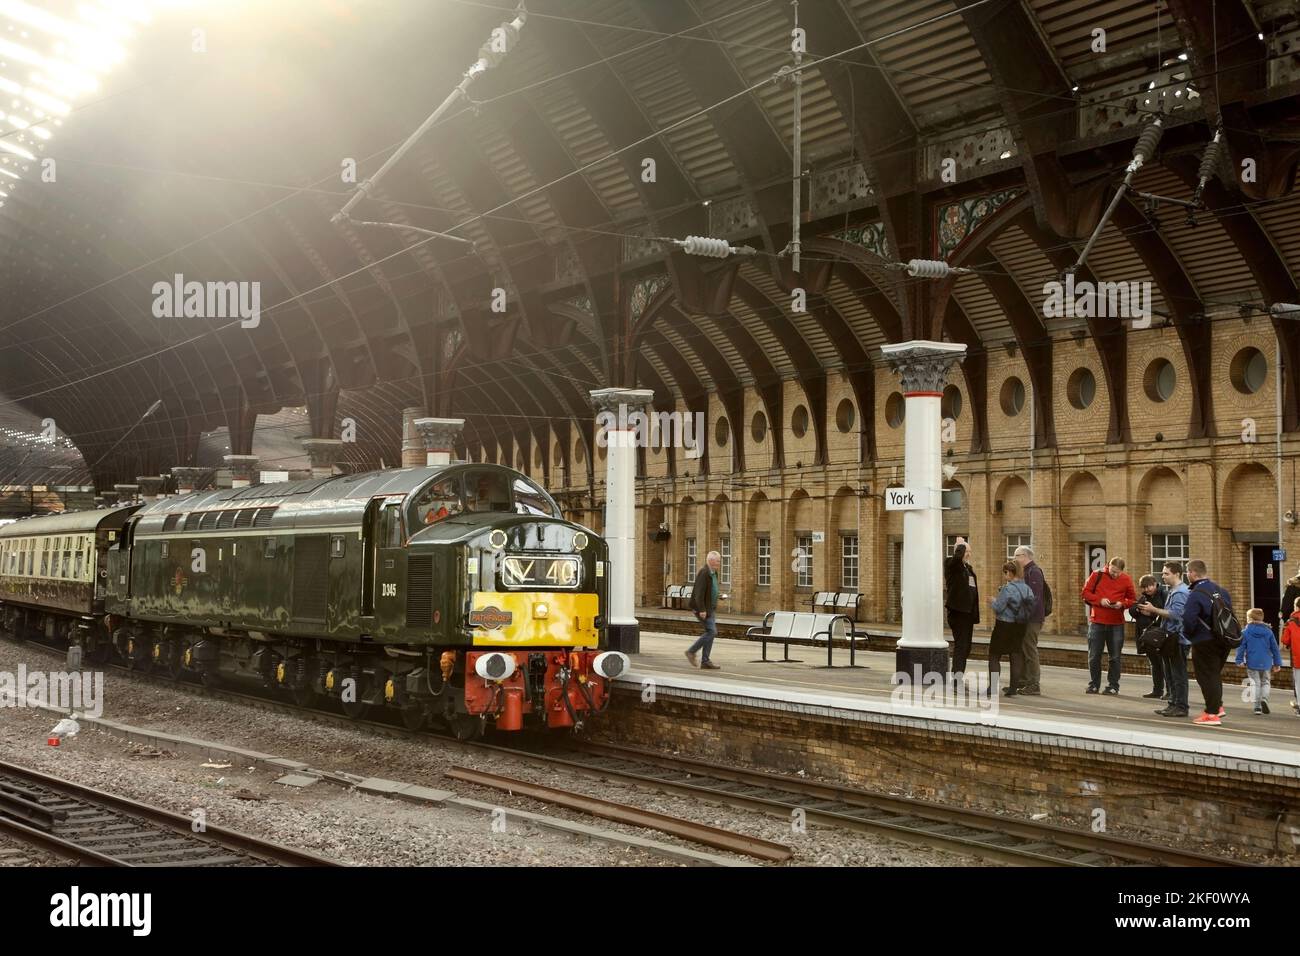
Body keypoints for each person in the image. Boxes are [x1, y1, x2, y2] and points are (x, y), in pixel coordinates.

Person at [1183, 558, 1232, 726]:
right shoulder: (1221, 590)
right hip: (1224, 639)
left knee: (1206, 676)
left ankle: (1211, 714)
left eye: (1187, 572)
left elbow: (1188, 620)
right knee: (1214, 674)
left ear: (1193, 573)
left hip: (1204, 640)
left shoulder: (1196, 593)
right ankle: (1217, 707)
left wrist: (1189, 635)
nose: (1187, 575)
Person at [1138, 562, 1191, 718]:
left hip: (1178, 639)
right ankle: (1173, 703)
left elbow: (1177, 614)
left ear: (1176, 574)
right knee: (1170, 673)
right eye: (1163, 573)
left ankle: (1181, 706)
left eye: (1166, 573)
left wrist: (1154, 610)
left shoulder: (1181, 592)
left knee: (1178, 674)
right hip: (1171, 638)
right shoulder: (1174, 591)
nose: (1163, 576)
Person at [1080, 556, 1136, 695]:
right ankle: (1094, 684)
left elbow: (1132, 599)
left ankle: (1113, 686)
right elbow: (1085, 593)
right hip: (1097, 621)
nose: (1114, 574)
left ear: (1122, 571)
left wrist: (1122, 604)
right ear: (1107, 566)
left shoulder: (1126, 579)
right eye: (1112, 571)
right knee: (1094, 655)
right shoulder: (1096, 575)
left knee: (1115, 656)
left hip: (1116, 622)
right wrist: (1100, 600)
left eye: (1117, 572)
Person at [988, 561, 1033, 697]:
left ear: (1010, 572)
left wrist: (993, 601)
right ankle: (1013, 689)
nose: (1004, 575)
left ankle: (993, 688)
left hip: (1004, 625)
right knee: (1016, 655)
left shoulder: (1007, 589)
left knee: (994, 655)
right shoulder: (1027, 589)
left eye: (1005, 572)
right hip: (1020, 625)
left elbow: (998, 608)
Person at [944, 539, 979, 680]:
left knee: (966, 647)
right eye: (966, 552)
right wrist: (960, 546)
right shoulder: (951, 564)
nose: (968, 555)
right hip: (958, 612)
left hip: (968, 614)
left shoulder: (968, 569)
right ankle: (956, 678)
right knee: (961, 645)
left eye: (970, 552)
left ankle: (959, 675)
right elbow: (956, 559)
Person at [1236, 609, 1282, 715]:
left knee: (1255, 684)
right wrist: (1277, 663)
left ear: (1251, 619)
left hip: (1252, 662)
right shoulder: (1268, 631)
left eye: (1247, 618)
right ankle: (1264, 699)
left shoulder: (1245, 632)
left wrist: (1239, 660)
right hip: (1266, 662)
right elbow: (1275, 648)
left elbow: (1241, 648)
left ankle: (1257, 708)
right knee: (1265, 682)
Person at [1013, 545, 1045, 695]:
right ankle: (1025, 681)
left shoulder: (1034, 572)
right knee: (1023, 648)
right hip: (1025, 617)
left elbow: (1035, 598)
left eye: (1017, 556)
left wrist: (1025, 614)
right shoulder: (1025, 572)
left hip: (1032, 618)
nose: (1015, 559)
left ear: (1025, 556)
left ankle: (1034, 684)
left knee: (1030, 649)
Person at [1130, 573, 1167, 701]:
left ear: (1154, 584)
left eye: (1149, 587)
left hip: (1159, 636)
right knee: (1154, 663)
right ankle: (1157, 690)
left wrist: (1151, 612)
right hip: (1147, 636)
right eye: (1144, 587)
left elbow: (1166, 612)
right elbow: (1132, 610)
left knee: (1163, 663)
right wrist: (1139, 610)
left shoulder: (1164, 595)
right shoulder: (1143, 597)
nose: (1146, 590)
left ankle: (1170, 691)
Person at [685, 550, 722, 670]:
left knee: (710, 633)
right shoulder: (704, 572)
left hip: (710, 608)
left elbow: (711, 589)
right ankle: (691, 651)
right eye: (717, 561)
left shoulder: (713, 573)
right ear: (711, 561)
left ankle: (705, 661)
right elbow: (699, 594)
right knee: (712, 632)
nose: (719, 563)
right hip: (703, 608)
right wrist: (702, 609)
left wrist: (718, 595)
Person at [1281, 597, 1300, 715]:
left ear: (1296, 606)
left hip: (1297, 657)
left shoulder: (1291, 621)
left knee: (1299, 683)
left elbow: (1285, 640)